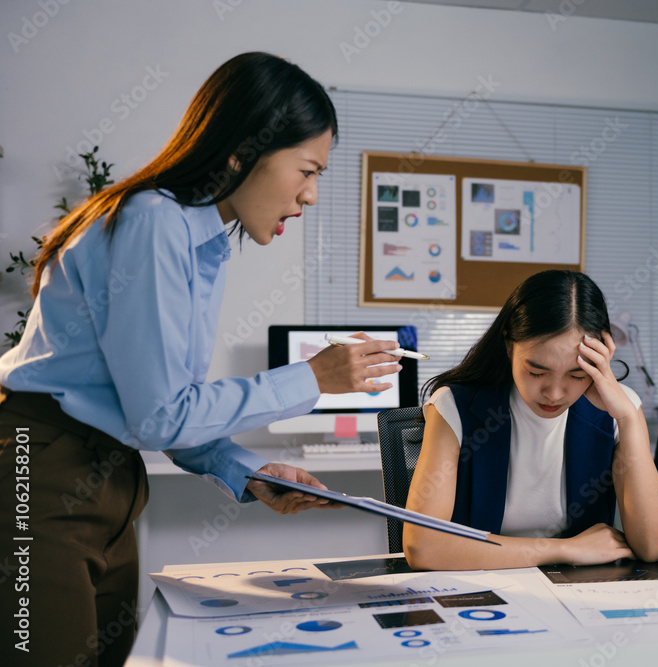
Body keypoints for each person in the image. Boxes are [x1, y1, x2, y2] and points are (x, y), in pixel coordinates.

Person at [0, 52, 403, 667]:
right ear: (243, 151)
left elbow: (161, 408)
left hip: (108, 479)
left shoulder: (200, 240)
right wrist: (313, 377)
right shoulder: (152, 222)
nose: (311, 195)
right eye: (307, 170)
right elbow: (160, 417)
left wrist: (250, 473)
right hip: (43, 470)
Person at [403, 270, 658, 571]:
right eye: (536, 372)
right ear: (509, 345)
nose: (554, 394)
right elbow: (423, 547)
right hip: (480, 588)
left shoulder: (619, 411)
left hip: (579, 591)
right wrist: (565, 550)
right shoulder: (455, 406)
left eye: (576, 375)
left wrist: (628, 419)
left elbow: (652, 546)